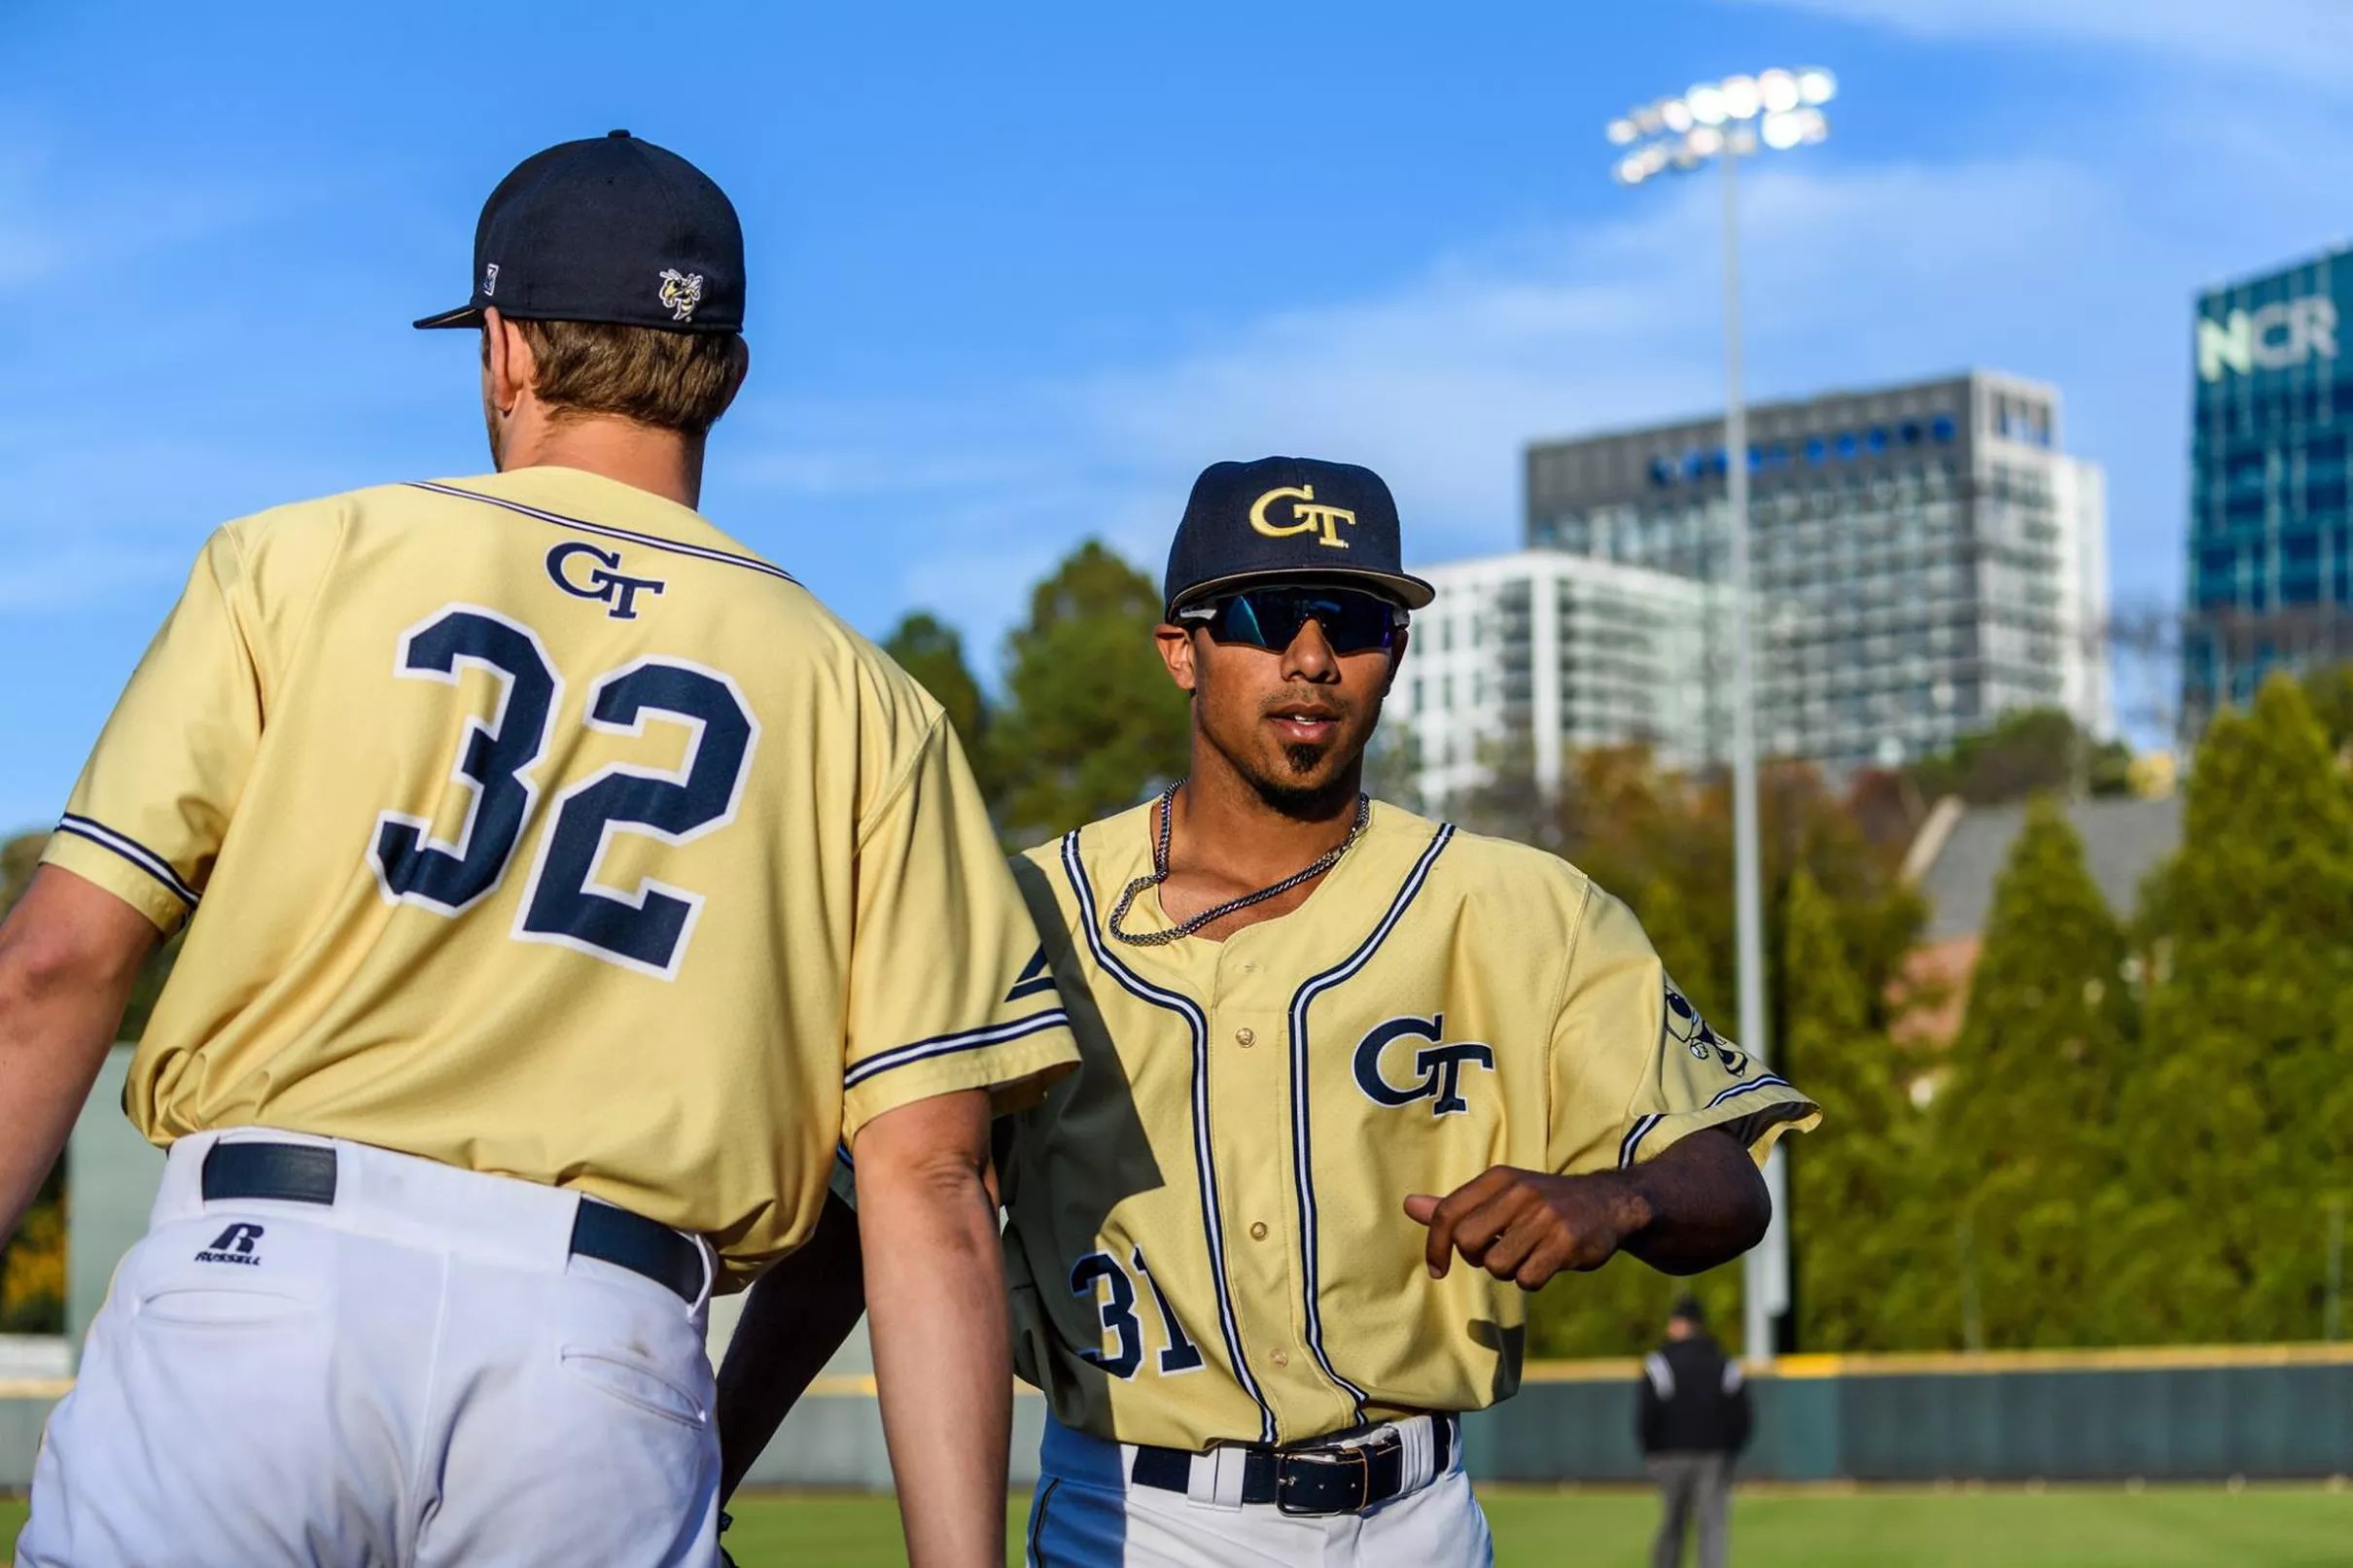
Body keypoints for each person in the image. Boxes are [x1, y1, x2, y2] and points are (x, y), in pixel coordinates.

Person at [0, 131, 1071, 1568]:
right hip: (603, 1347)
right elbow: (932, 1177)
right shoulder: (870, 701)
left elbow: (57, 963)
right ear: (729, 372)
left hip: (258, 1291)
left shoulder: (297, 559)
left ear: (506, 348)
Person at [717, 455, 1819, 1565]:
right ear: (1179, 650)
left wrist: (1616, 1195)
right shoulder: (1021, 911)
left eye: (1351, 620)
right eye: (1263, 614)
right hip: (1135, 1514)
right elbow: (870, 1214)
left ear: (1395, 654)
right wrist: (710, 1464)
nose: (1310, 658)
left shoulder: (1522, 906)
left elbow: (1725, 1177)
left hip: (1415, 1513)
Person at [1639, 1298, 1750, 1568]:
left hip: (1670, 1456)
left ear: (1679, 1324)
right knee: (1712, 1526)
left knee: (1672, 1524)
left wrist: (1652, 1451)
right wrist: (1730, 1450)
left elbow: (1647, 1415)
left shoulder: (1659, 1363)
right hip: (1713, 1456)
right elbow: (1742, 1416)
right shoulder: (1723, 1362)